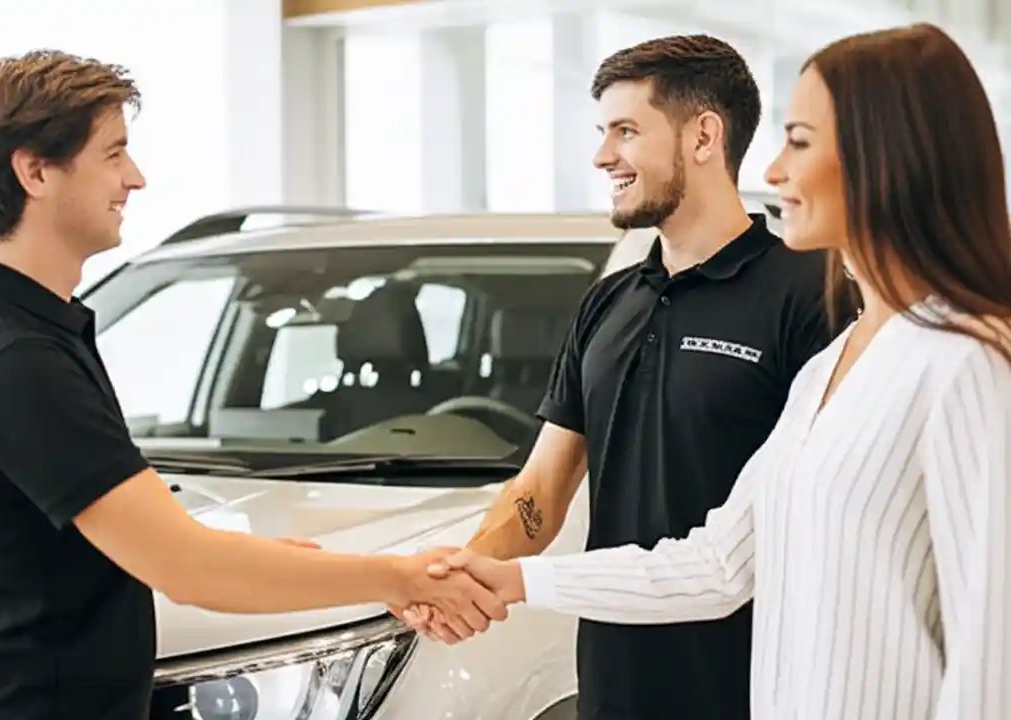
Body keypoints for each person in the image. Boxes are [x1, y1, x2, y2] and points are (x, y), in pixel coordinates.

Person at [432, 22, 1011, 720]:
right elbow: (716, 565)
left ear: (887, 156)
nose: (771, 171)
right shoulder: (836, 365)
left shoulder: (971, 362)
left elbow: (993, 661)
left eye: (798, 141)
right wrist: (509, 578)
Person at [0, 50, 505, 720]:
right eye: (113, 154)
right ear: (35, 170)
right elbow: (186, 567)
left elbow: (133, 540)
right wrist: (395, 577)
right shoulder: (17, 358)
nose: (134, 178)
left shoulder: (15, 327)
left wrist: (261, 557)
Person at [406, 34, 836, 720]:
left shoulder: (810, 295)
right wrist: (458, 574)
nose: (603, 155)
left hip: (753, 688)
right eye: (603, 132)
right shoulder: (610, 302)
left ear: (703, 136)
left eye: (626, 130)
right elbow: (541, 491)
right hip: (611, 686)